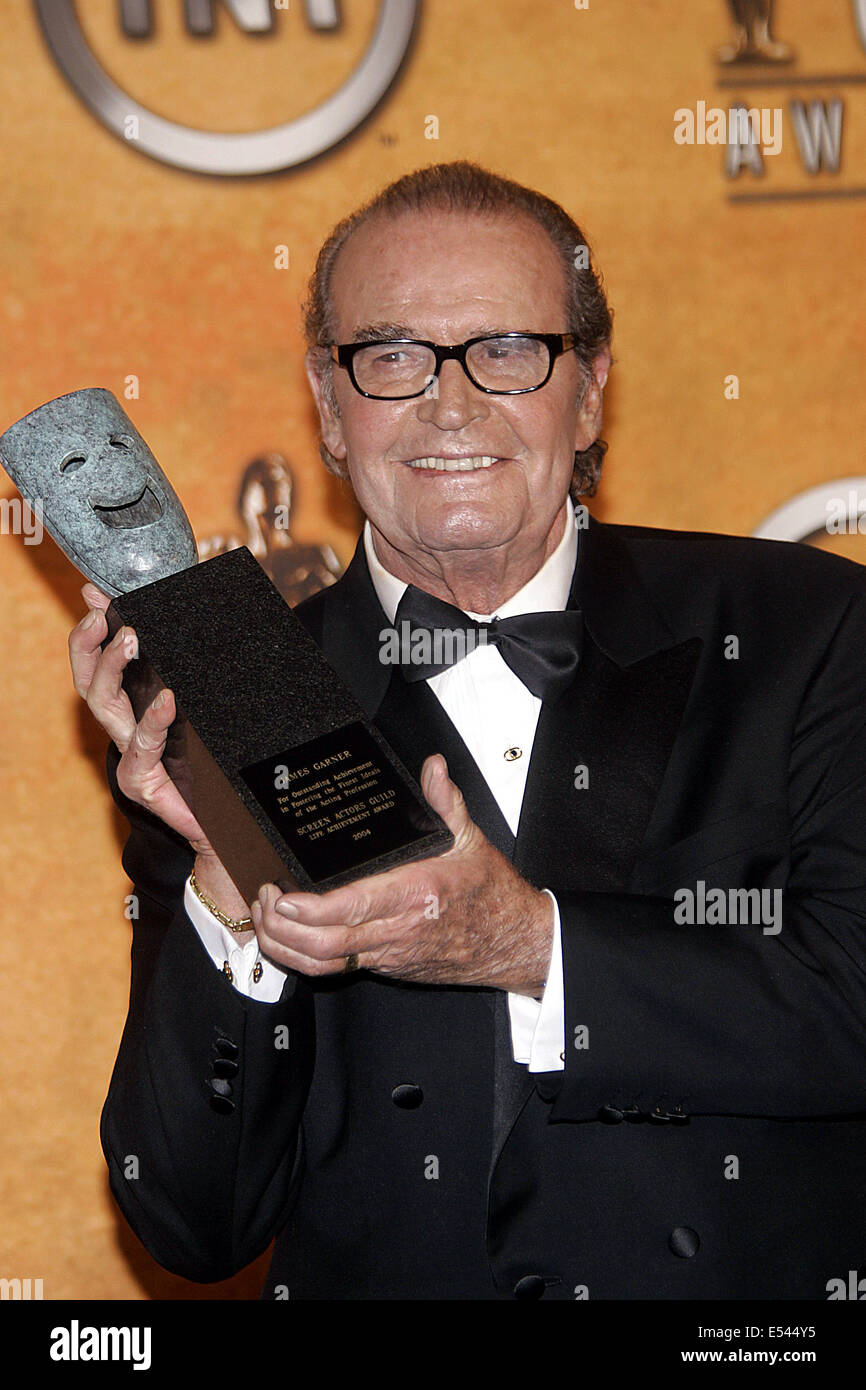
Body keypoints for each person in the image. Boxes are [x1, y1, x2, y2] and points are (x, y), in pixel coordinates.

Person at [70, 161, 866, 1301]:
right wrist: (223, 893)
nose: (449, 404)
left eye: (505, 349)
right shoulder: (232, 697)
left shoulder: (805, 629)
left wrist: (531, 945)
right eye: (389, 356)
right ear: (328, 407)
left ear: (588, 393)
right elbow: (191, 1221)